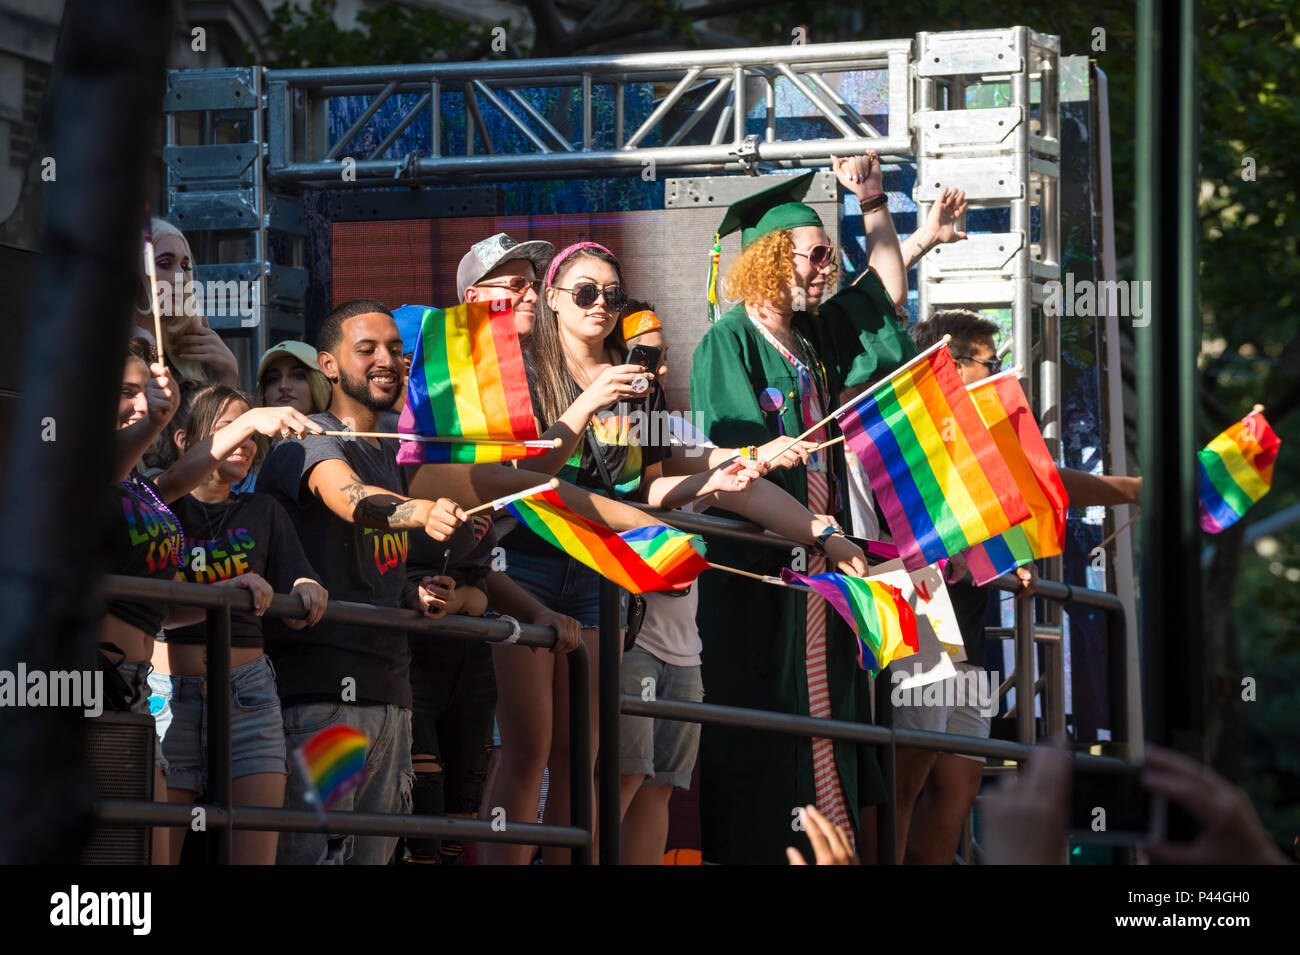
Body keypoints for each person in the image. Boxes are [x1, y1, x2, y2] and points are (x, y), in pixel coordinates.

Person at [484, 241, 761, 864]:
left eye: (610, 294)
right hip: (524, 562)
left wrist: (706, 483)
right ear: (552, 299)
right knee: (526, 749)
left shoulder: (636, 383)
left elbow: (646, 484)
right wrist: (588, 401)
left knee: (580, 754)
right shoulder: (522, 369)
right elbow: (529, 474)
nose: (600, 305)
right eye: (585, 292)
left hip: (598, 572)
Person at [689, 154, 920, 865]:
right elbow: (729, 470)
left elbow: (881, 292)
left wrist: (873, 204)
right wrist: (816, 533)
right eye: (816, 254)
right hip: (766, 578)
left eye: (828, 253)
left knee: (830, 724)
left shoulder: (811, 340)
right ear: (767, 260)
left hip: (827, 571)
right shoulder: (727, 344)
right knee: (768, 737)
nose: (828, 266)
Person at [893, 308, 1142, 865]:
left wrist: (1134, 489)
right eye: (991, 361)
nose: (1003, 372)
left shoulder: (985, 435)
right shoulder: (912, 431)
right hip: (924, 625)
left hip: (971, 631)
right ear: (949, 365)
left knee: (958, 786)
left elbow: (1044, 481)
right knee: (906, 779)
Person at [255, 298, 469, 865]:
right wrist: (420, 512)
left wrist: (413, 593)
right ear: (328, 365)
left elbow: (369, 570)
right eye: (367, 348)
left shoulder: (389, 455)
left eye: (396, 350)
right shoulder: (303, 438)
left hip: (390, 697)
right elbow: (349, 499)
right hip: (324, 698)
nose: (387, 360)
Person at [150, 384, 329, 865]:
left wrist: (309, 588)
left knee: (254, 851)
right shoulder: (159, 504)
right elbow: (150, 607)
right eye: (232, 428)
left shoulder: (264, 509)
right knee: (158, 853)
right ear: (185, 439)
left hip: (248, 694)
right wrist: (224, 594)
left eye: (252, 431)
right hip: (167, 692)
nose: (247, 444)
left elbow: (299, 577)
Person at [136, 218, 239, 387]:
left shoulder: (186, 355)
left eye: (184, 266)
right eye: (165, 264)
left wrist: (228, 373)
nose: (182, 278)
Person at [457, 232, 555, 345]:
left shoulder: (546, 360)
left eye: (535, 285)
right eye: (517, 285)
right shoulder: (441, 360)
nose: (534, 297)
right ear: (474, 299)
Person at [255, 340, 332, 416]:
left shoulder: (340, 426)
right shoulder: (246, 426)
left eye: (299, 376)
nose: (284, 386)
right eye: (273, 379)